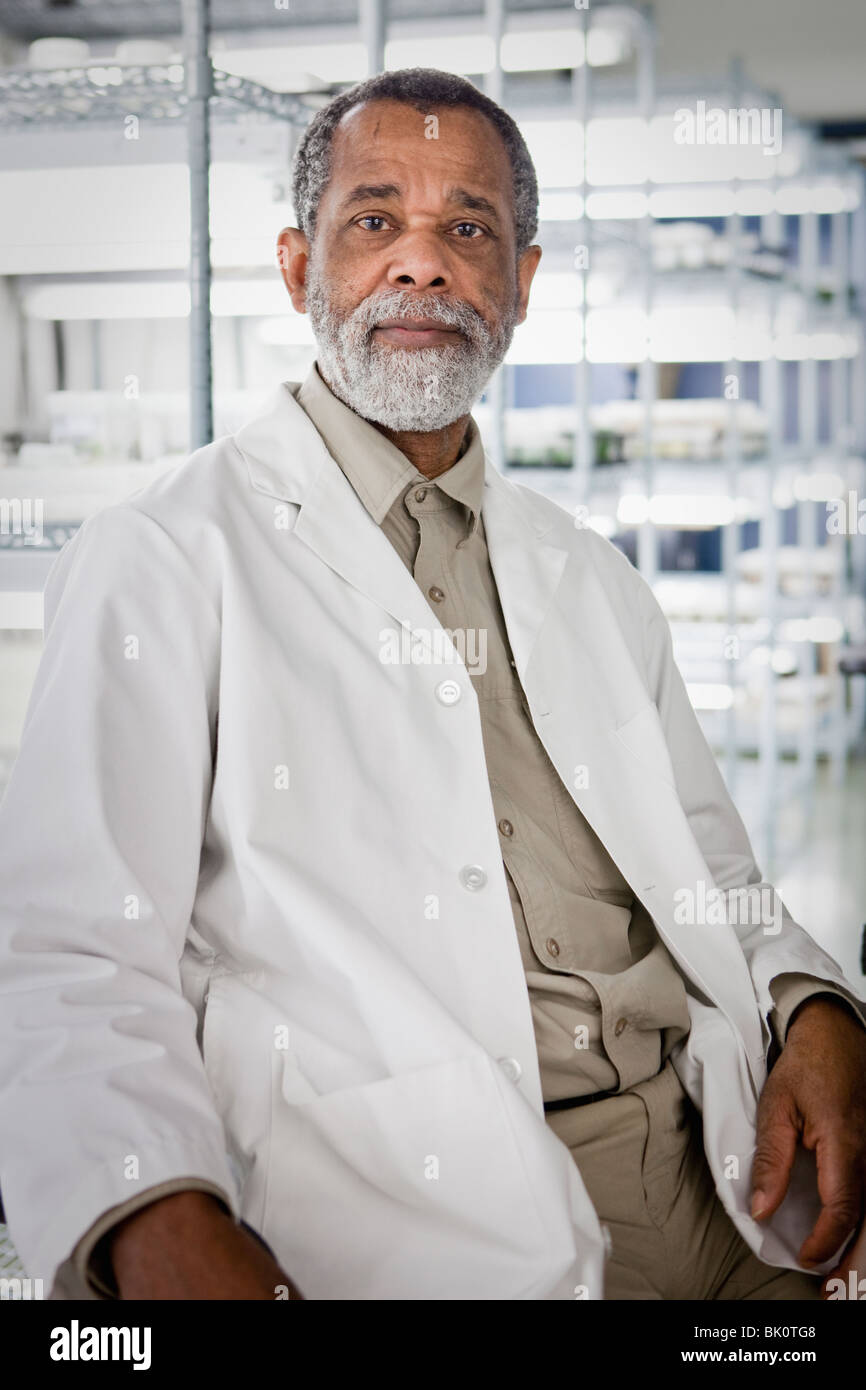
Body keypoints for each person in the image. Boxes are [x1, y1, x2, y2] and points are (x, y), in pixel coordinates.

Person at [1, 67, 865, 1303]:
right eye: (374, 220)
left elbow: (714, 875)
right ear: (301, 271)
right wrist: (152, 1219)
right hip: (427, 1222)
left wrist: (816, 1004)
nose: (421, 263)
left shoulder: (588, 574)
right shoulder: (165, 557)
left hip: (735, 1187)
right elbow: (74, 957)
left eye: (468, 227)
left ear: (519, 284)